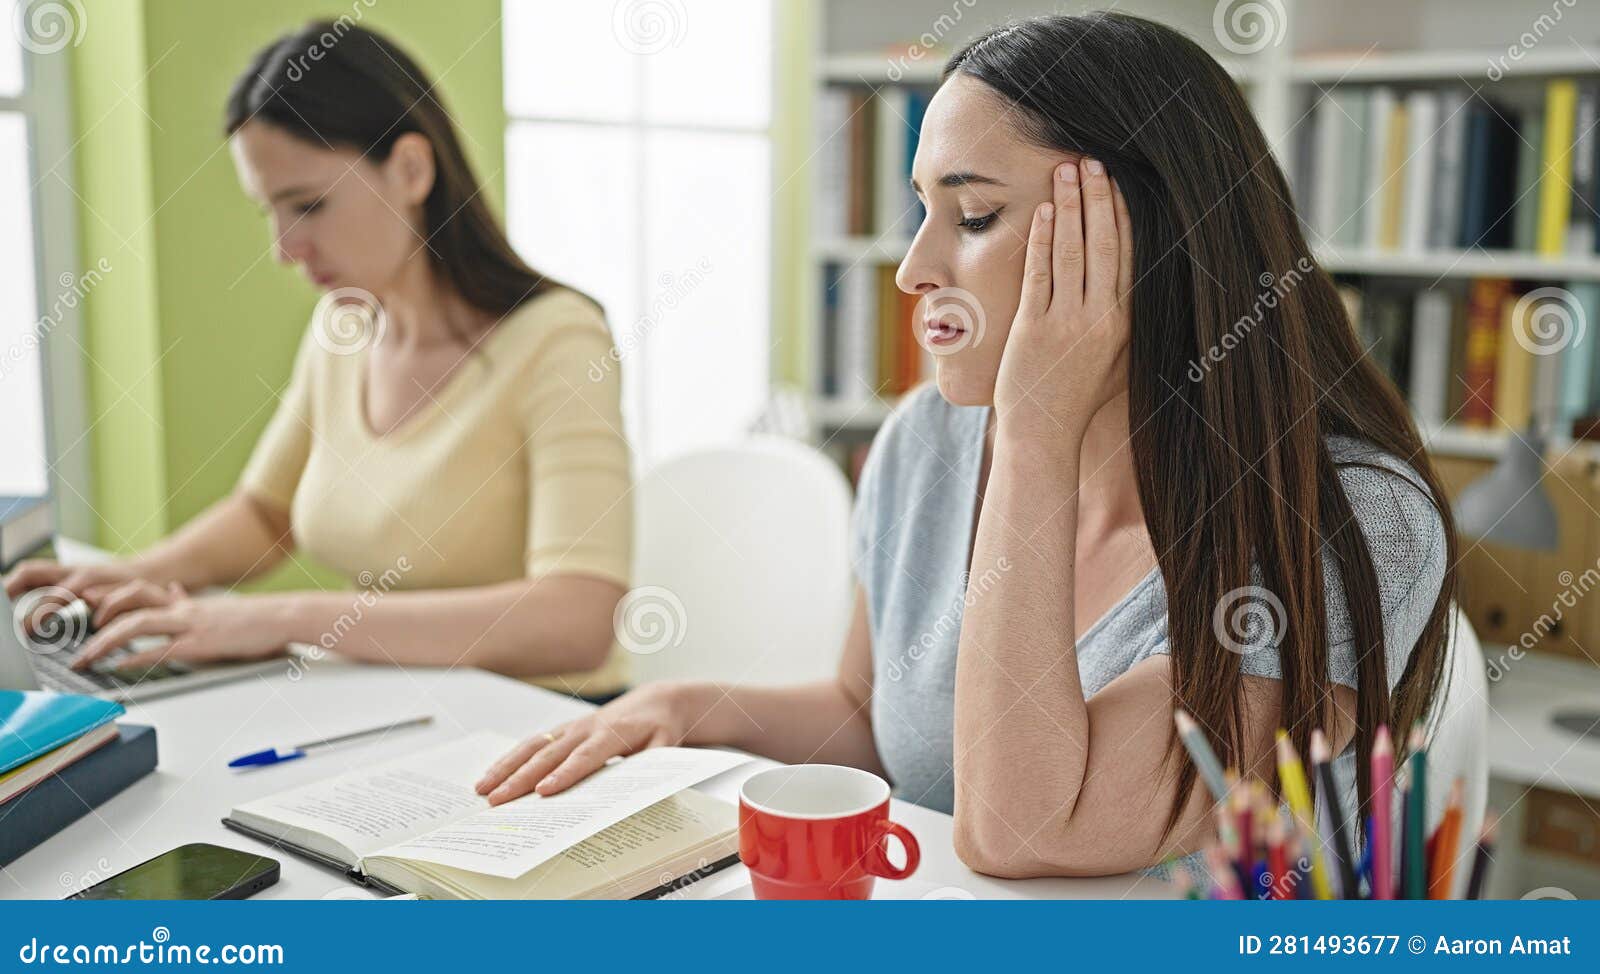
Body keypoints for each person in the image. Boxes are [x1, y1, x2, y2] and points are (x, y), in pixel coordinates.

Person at [475, 11, 1458, 878]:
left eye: (974, 215)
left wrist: (1035, 437)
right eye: (921, 211)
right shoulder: (924, 443)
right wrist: (687, 705)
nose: (912, 268)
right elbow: (876, 722)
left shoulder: (1351, 518)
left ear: (1146, 237)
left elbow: (1026, 829)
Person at [5, 22, 634, 701]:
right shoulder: (346, 325)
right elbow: (266, 516)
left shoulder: (559, 342)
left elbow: (577, 618)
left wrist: (283, 619)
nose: (284, 250)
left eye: (309, 206)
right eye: (270, 213)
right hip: (399, 709)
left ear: (412, 171)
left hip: (549, 729)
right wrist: (141, 577)